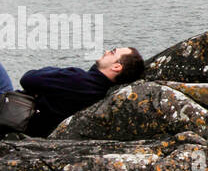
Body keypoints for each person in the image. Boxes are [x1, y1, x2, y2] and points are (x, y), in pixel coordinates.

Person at [0, 46, 144, 137]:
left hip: (12, 114)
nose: (107, 51)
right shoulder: (100, 92)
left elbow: (28, 78)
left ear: (117, 67)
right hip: (30, 125)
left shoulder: (79, 79)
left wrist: (55, 71)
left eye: (112, 52)